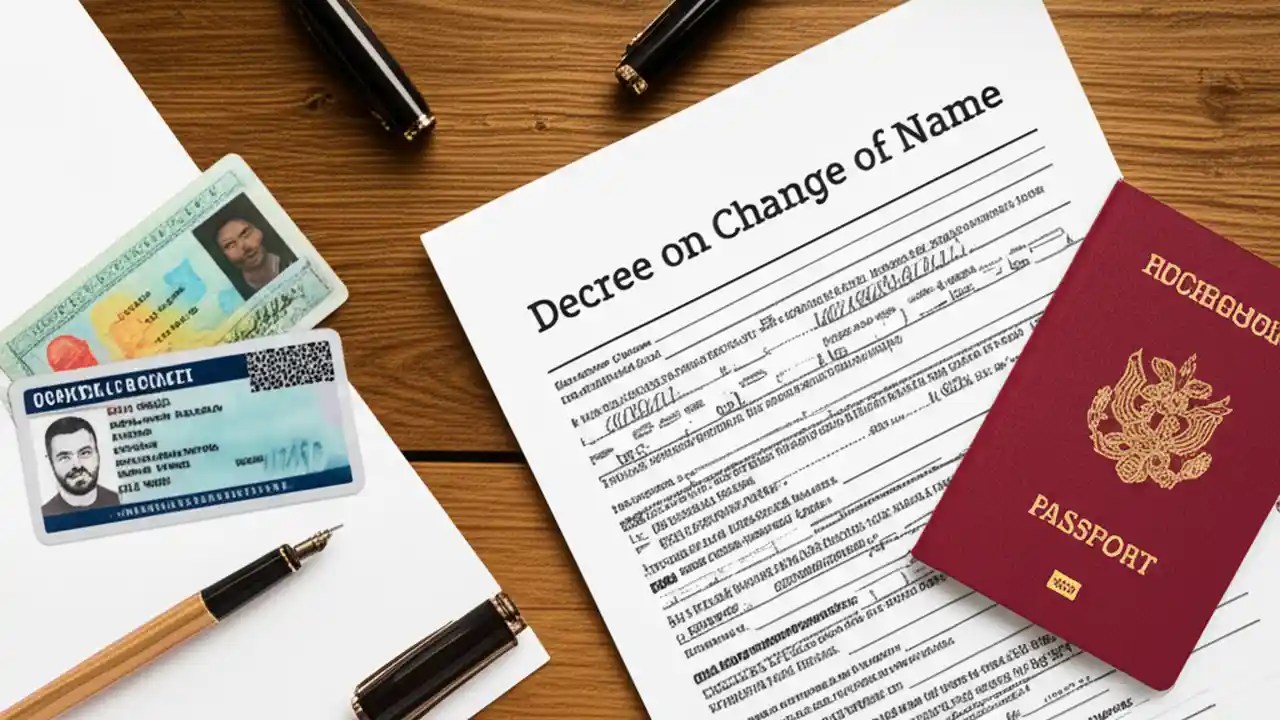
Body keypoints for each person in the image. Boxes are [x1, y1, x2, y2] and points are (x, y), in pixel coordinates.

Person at [42, 416, 118, 516]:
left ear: (98, 454)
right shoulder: (44, 516)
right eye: (64, 458)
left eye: (85, 453)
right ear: (51, 463)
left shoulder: (120, 502)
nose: (77, 465)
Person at [215, 217, 293, 294]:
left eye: (245, 233)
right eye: (230, 245)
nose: (245, 246)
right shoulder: (238, 294)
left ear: (258, 231)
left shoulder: (292, 258)